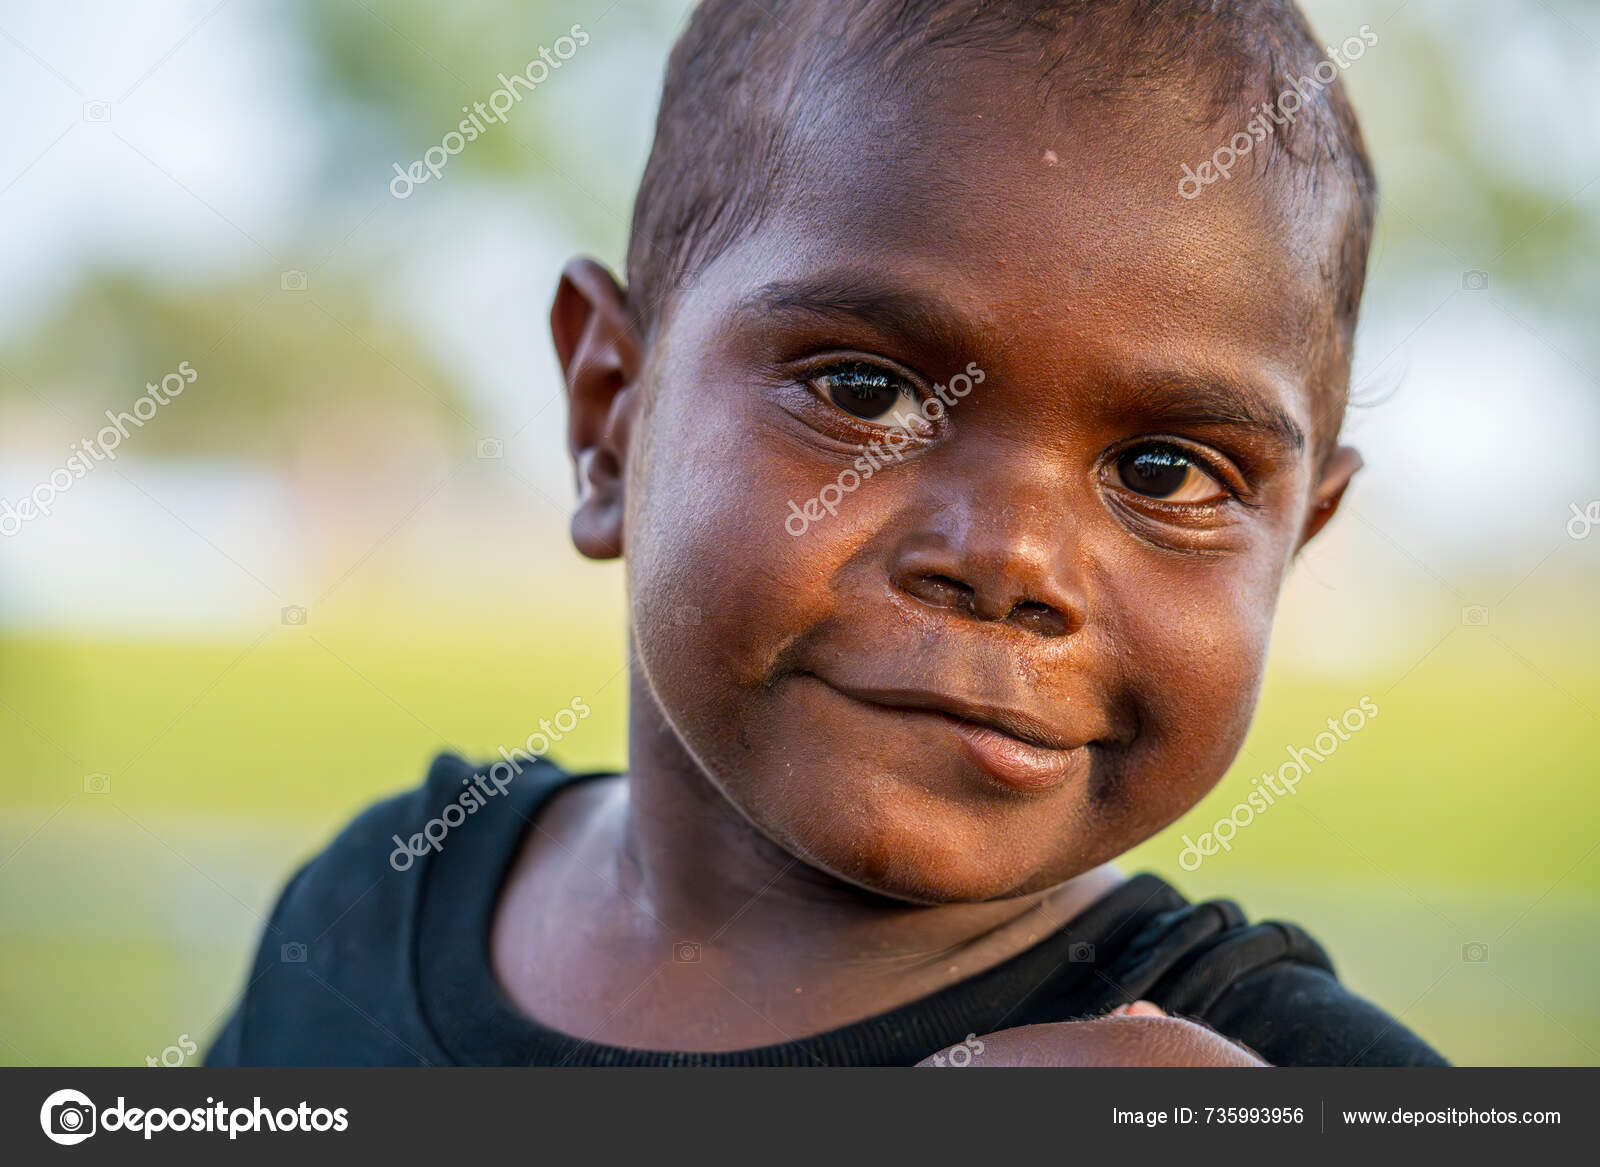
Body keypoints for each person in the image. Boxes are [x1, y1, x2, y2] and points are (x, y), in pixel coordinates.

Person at [208, 0, 1444, 1067]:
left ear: (1294, 542)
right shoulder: (371, 908)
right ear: (609, 418)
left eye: (1165, 472)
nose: (1010, 559)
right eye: (866, 395)